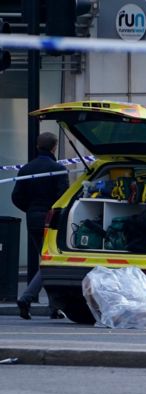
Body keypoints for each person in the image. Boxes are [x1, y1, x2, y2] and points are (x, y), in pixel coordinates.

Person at [12, 132, 69, 320]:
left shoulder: (26, 169)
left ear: (38, 147)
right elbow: (64, 198)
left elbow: (16, 196)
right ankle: (27, 298)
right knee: (50, 263)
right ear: (54, 147)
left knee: (46, 261)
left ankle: (54, 308)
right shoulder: (58, 169)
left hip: (33, 219)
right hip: (51, 221)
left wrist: (30, 209)